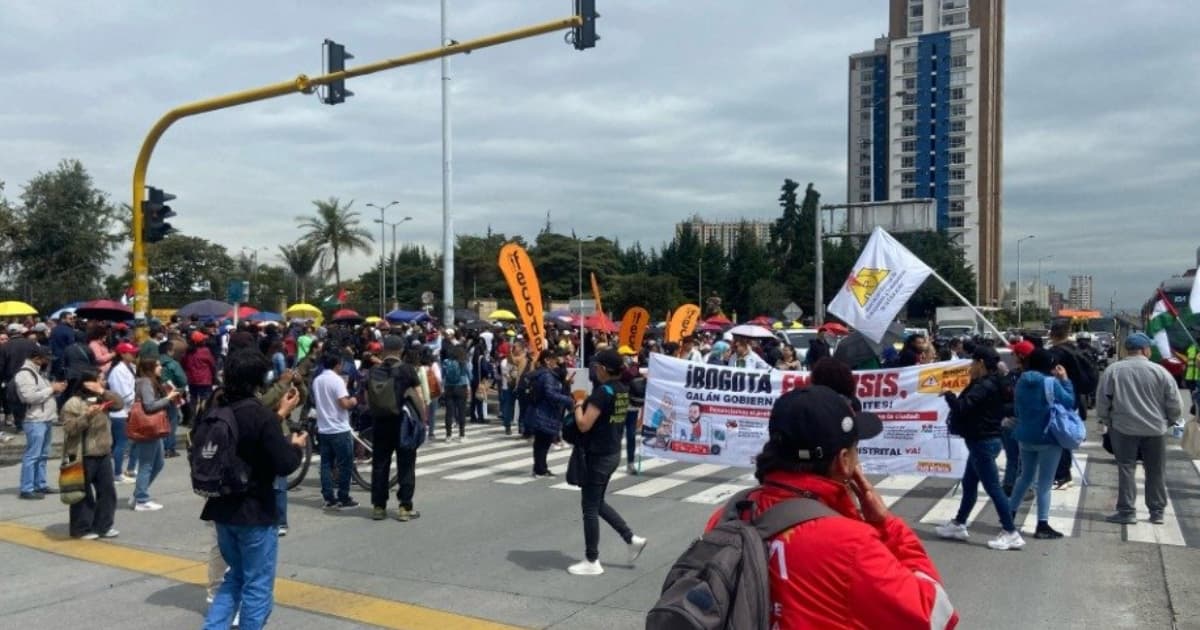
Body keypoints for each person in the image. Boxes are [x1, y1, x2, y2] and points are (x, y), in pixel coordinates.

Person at [701, 385, 958, 628]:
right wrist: (888, 526)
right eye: (856, 449)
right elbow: (934, 616)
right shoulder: (850, 544)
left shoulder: (729, 514)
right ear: (844, 461)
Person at [201, 349, 305, 630]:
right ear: (260, 379)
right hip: (255, 511)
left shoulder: (217, 409)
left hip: (222, 508)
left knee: (234, 577)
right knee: (258, 584)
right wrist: (296, 446)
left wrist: (280, 413)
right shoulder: (260, 416)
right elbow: (284, 464)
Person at [566, 349, 646, 576]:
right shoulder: (622, 389)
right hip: (611, 452)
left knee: (589, 508)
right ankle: (631, 539)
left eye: (596, 367)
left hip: (599, 455)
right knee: (597, 502)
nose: (594, 370)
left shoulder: (603, 392)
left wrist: (578, 403)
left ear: (602, 369)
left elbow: (583, 424)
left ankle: (592, 560)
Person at [936, 346, 1023, 550]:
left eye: (973, 363)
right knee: (969, 483)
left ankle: (1010, 532)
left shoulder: (984, 385)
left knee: (993, 488)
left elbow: (962, 407)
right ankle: (959, 523)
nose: (971, 367)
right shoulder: (995, 382)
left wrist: (948, 395)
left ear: (981, 363)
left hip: (983, 441)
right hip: (983, 440)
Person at [1095, 332, 1182, 525]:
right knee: (1156, 471)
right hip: (1155, 429)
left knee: (1126, 468)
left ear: (1128, 349)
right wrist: (1169, 421)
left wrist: (1107, 420)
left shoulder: (1114, 370)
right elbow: (1174, 403)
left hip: (1123, 428)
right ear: (1144, 349)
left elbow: (1103, 400)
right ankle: (1157, 512)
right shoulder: (1160, 371)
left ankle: (1127, 511)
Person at [1006, 348, 1076, 540]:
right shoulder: (1051, 382)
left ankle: (1009, 514)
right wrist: (1065, 380)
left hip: (1025, 435)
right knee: (1044, 483)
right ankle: (1042, 524)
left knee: (1025, 477)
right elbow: (1070, 402)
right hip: (1048, 437)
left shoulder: (1021, 380)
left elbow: (1017, 408)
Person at [369, 337, 428, 522]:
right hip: (404, 423)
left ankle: (379, 507)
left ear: (384, 350)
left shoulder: (374, 371)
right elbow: (419, 396)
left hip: (380, 423)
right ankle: (404, 507)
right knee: (406, 464)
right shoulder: (407, 370)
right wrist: (423, 419)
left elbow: (367, 397)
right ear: (401, 350)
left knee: (380, 465)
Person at [61, 368, 123, 538]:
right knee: (82, 494)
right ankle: (81, 528)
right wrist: (86, 416)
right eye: (99, 379)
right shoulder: (73, 403)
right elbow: (69, 428)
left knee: (107, 491)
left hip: (103, 452)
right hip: (83, 454)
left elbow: (119, 404)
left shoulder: (102, 397)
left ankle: (103, 525)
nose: (102, 382)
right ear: (87, 382)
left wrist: (103, 391)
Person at [1046, 321, 1097, 490]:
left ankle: (1062, 474)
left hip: (1059, 397)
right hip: (1075, 397)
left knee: (1058, 435)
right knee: (1063, 433)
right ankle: (1062, 473)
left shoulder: (1056, 354)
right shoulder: (1076, 350)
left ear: (1052, 334)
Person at [129, 357, 181, 511]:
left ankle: (139, 493)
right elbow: (149, 406)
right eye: (157, 365)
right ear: (150, 367)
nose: (160, 368)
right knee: (147, 464)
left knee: (158, 463)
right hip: (148, 427)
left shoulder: (151, 381)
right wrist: (168, 398)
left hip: (154, 429)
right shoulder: (145, 382)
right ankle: (141, 499)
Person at [15, 345, 66, 499]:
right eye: (46, 359)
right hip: (35, 419)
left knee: (43, 454)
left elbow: (40, 394)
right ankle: (27, 488)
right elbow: (29, 397)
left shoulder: (37, 372)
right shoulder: (25, 374)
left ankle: (40, 484)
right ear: (37, 358)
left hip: (45, 418)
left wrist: (55, 389)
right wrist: (52, 388)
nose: (48, 362)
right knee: (33, 455)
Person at [311, 353, 359, 510]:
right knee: (345, 464)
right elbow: (344, 403)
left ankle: (328, 498)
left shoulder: (317, 380)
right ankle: (343, 497)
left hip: (324, 428)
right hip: (339, 428)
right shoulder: (337, 380)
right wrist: (353, 400)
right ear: (337, 364)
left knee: (326, 464)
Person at [528, 348, 574, 477]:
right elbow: (550, 393)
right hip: (545, 411)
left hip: (541, 410)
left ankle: (540, 467)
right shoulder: (547, 375)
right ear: (547, 360)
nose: (556, 362)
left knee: (541, 441)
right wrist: (567, 400)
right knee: (543, 441)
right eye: (553, 359)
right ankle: (540, 469)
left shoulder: (542, 373)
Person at [106, 342, 139, 482]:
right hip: (120, 412)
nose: (134, 354)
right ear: (122, 354)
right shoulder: (118, 371)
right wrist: (137, 400)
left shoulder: (131, 367)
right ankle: (117, 473)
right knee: (121, 443)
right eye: (130, 352)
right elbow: (124, 394)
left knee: (135, 441)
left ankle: (130, 469)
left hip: (130, 410)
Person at [158, 340, 188, 458]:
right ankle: (169, 448)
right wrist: (180, 390)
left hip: (158, 395)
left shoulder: (155, 363)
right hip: (171, 394)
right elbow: (183, 380)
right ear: (169, 351)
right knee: (172, 421)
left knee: (160, 422)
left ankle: (160, 448)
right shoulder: (173, 364)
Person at [441, 345, 470, 442]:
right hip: (461, 387)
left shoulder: (446, 362)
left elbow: (443, 375)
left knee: (449, 412)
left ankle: (448, 435)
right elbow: (470, 375)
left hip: (448, 387)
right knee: (461, 411)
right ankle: (462, 435)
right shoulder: (463, 362)